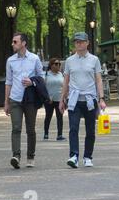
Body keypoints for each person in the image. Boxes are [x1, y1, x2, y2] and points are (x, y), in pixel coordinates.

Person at [59, 32, 107, 168]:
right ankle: (73, 156)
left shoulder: (94, 60)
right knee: (73, 128)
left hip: (90, 99)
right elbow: (66, 81)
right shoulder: (69, 61)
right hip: (74, 99)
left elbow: (98, 80)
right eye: (76, 42)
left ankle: (87, 156)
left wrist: (101, 98)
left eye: (81, 41)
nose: (78, 44)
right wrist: (62, 99)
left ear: (87, 43)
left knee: (90, 130)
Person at [4, 33, 44, 169]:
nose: (12, 44)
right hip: (15, 99)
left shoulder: (34, 58)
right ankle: (16, 156)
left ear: (23, 43)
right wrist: (6, 102)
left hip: (30, 99)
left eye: (15, 42)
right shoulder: (10, 60)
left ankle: (31, 156)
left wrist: (32, 81)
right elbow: (8, 82)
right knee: (16, 128)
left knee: (30, 129)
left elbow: (41, 76)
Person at [44, 58, 66, 141]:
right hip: (49, 100)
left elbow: (64, 87)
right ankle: (46, 133)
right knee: (48, 116)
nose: (58, 66)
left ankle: (59, 135)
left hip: (59, 100)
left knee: (59, 117)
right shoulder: (46, 74)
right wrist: (46, 97)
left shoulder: (61, 74)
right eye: (56, 64)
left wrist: (64, 99)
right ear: (51, 65)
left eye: (59, 64)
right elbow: (43, 87)